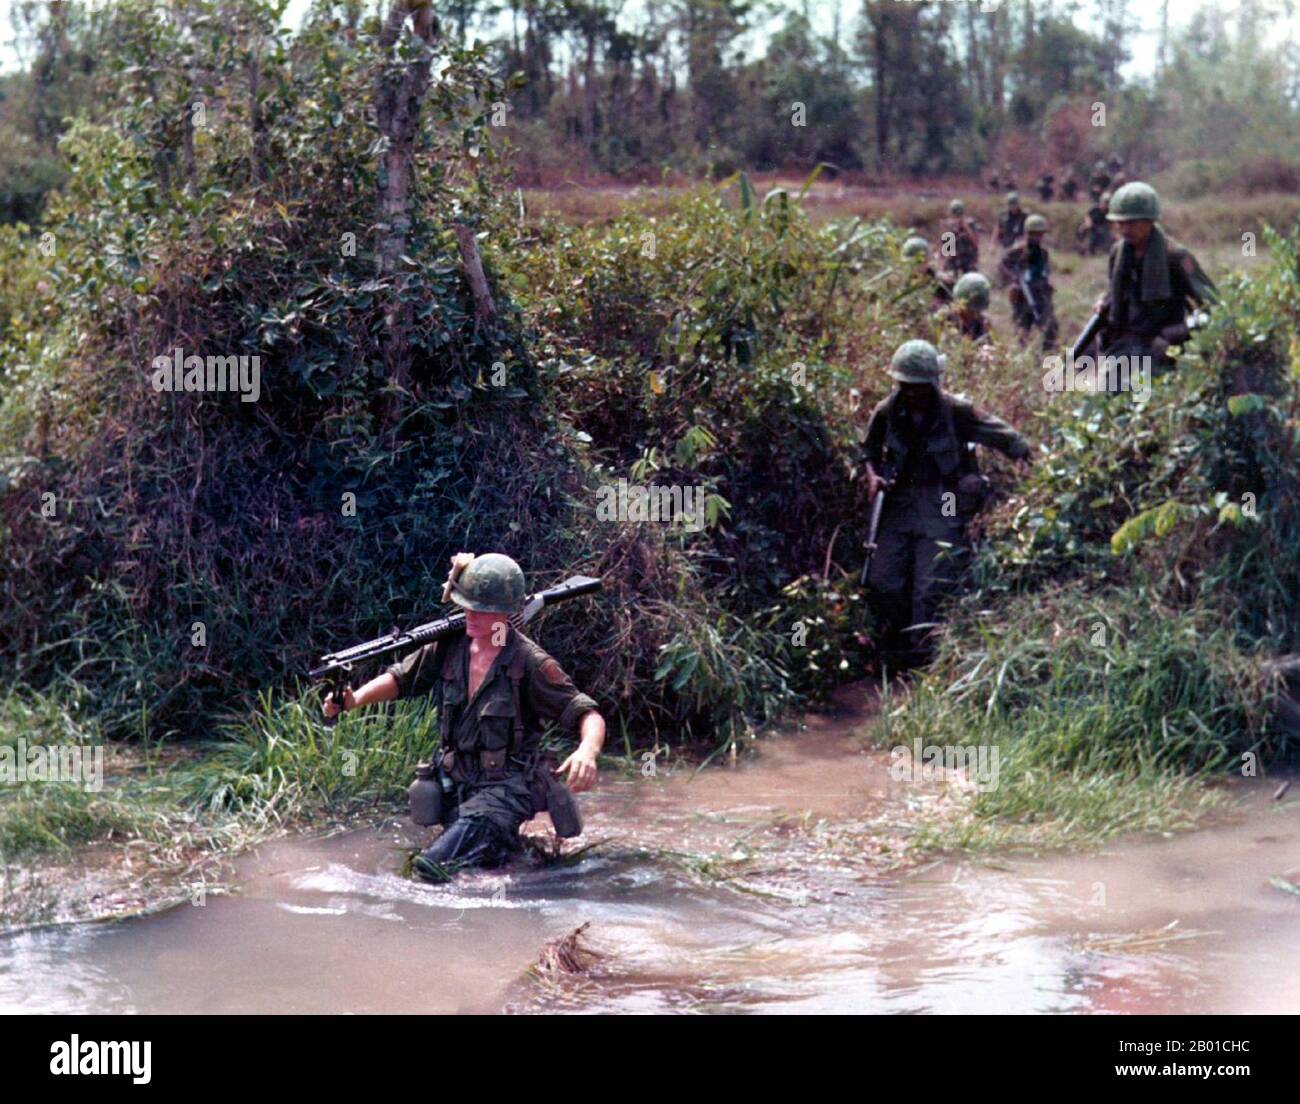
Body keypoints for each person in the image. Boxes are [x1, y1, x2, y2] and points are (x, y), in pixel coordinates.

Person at [323, 552, 606, 881]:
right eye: (465, 604)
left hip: (507, 789)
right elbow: (401, 678)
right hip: (459, 785)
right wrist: (354, 699)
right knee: (487, 868)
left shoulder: (529, 662)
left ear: (505, 613)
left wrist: (587, 751)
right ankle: (524, 867)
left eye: (481, 609)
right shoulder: (449, 646)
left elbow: (588, 713)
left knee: (429, 868)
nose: (469, 615)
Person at [861, 340, 1032, 669]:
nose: (912, 393)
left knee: (935, 578)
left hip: (947, 497)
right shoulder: (887, 410)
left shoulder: (956, 410)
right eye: (906, 386)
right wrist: (872, 476)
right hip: (900, 500)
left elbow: (1002, 434)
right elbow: (867, 450)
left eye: (919, 387)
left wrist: (1023, 452)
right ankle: (890, 648)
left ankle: (924, 656)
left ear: (934, 383)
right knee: (883, 580)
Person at [1091, 181, 1217, 375]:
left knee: (1147, 399)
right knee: (1104, 399)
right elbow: (1116, 291)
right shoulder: (1118, 252)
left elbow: (1214, 308)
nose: (1125, 229)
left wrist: (1174, 334)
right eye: (1120, 223)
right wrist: (1104, 301)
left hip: (1161, 350)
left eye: (1132, 222)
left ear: (1150, 221)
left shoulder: (1176, 256)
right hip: (1122, 346)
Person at [1000, 214, 1059, 348]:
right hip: (1022, 294)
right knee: (1021, 326)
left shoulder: (1043, 252)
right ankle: (1023, 354)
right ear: (1027, 233)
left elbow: (1045, 271)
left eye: (1039, 234)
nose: (1036, 237)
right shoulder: (1017, 250)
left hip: (1039, 292)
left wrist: (1046, 283)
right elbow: (1003, 265)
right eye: (1033, 234)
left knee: (1050, 324)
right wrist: (1013, 278)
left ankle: (1048, 350)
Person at [901, 234, 954, 304]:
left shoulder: (938, 279)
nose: (926, 263)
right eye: (920, 262)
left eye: (925, 261)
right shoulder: (905, 288)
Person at [950, 272, 993, 344]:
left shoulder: (982, 323)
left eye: (977, 310)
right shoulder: (948, 321)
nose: (975, 314)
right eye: (971, 310)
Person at [942, 199, 980, 276]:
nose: (957, 217)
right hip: (954, 258)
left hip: (968, 257)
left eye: (959, 214)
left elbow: (976, 243)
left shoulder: (970, 224)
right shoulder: (949, 226)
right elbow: (947, 250)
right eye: (955, 214)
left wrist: (965, 227)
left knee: (971, 278)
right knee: (949, 276)